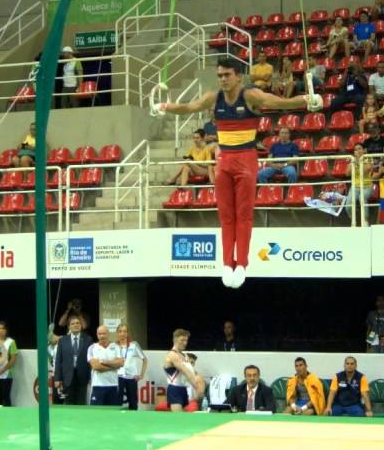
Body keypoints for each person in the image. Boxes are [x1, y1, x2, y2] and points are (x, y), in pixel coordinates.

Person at [156, 56, 321, 288]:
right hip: (224, 162)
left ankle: (241, 263)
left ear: (238, 76)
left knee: (243, 215)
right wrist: (165, 107)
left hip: (246, 161)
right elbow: (189, 107)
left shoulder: (250, 95)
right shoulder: (214, 98)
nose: (222, 79)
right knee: (225, 216)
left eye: (227, 75)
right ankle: (226, 263)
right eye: (219, 75)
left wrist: (306, 99)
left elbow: (278, 103)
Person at [55, 316, 93, 405]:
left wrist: (91, 377)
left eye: (78, 323)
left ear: (81, 325)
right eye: (73, 324)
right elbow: (58, 360)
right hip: (67, 376)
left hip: (83, 376)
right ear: (69, 327)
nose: (75, 325)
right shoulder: (62, 341)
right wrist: (57, 378)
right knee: (68, 402)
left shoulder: (88, 339)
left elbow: (91, 360)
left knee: (81, 401)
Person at [162, 328, 202, 412]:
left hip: (183, 388)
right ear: (175, 340)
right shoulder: (172, 355)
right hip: (174, 389)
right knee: (177, 417)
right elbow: (185, 371)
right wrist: (196, 387)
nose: (185, 343)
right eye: (182, 340)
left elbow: (191, 372)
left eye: (186, 340)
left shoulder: (184, 355)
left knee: (183, 418)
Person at [86, 325, 125, 406]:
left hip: (113, 385)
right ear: (97, 335)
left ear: (108, 334)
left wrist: (105, 362)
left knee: (112, 413)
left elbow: (120, 363)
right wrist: (114, 365)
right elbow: (96, 367)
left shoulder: (116, 347)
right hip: (97, 385)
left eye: (104, 333)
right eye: (99, 334)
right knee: (96, 413)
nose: (102, 336)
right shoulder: (92, 348)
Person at [114, 323, 146, 410]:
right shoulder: (113, 346)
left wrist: (141, 374)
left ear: (127, 333)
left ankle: (134, 420)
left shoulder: (134, 345)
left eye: (124, 331)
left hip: (131, 377)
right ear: (117, 333)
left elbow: (145, 359)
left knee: (133, 402)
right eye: (120, 331)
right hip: (118, 377)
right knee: (117, 402)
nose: (122, 333)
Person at [0, 321, 18, 406]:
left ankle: (8, 417)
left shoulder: (11, 342)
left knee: (6, 399)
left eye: (3, 328)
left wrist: (2, 369)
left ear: (7, 330)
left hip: (6, 374)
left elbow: (13, 360)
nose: (0, 331)